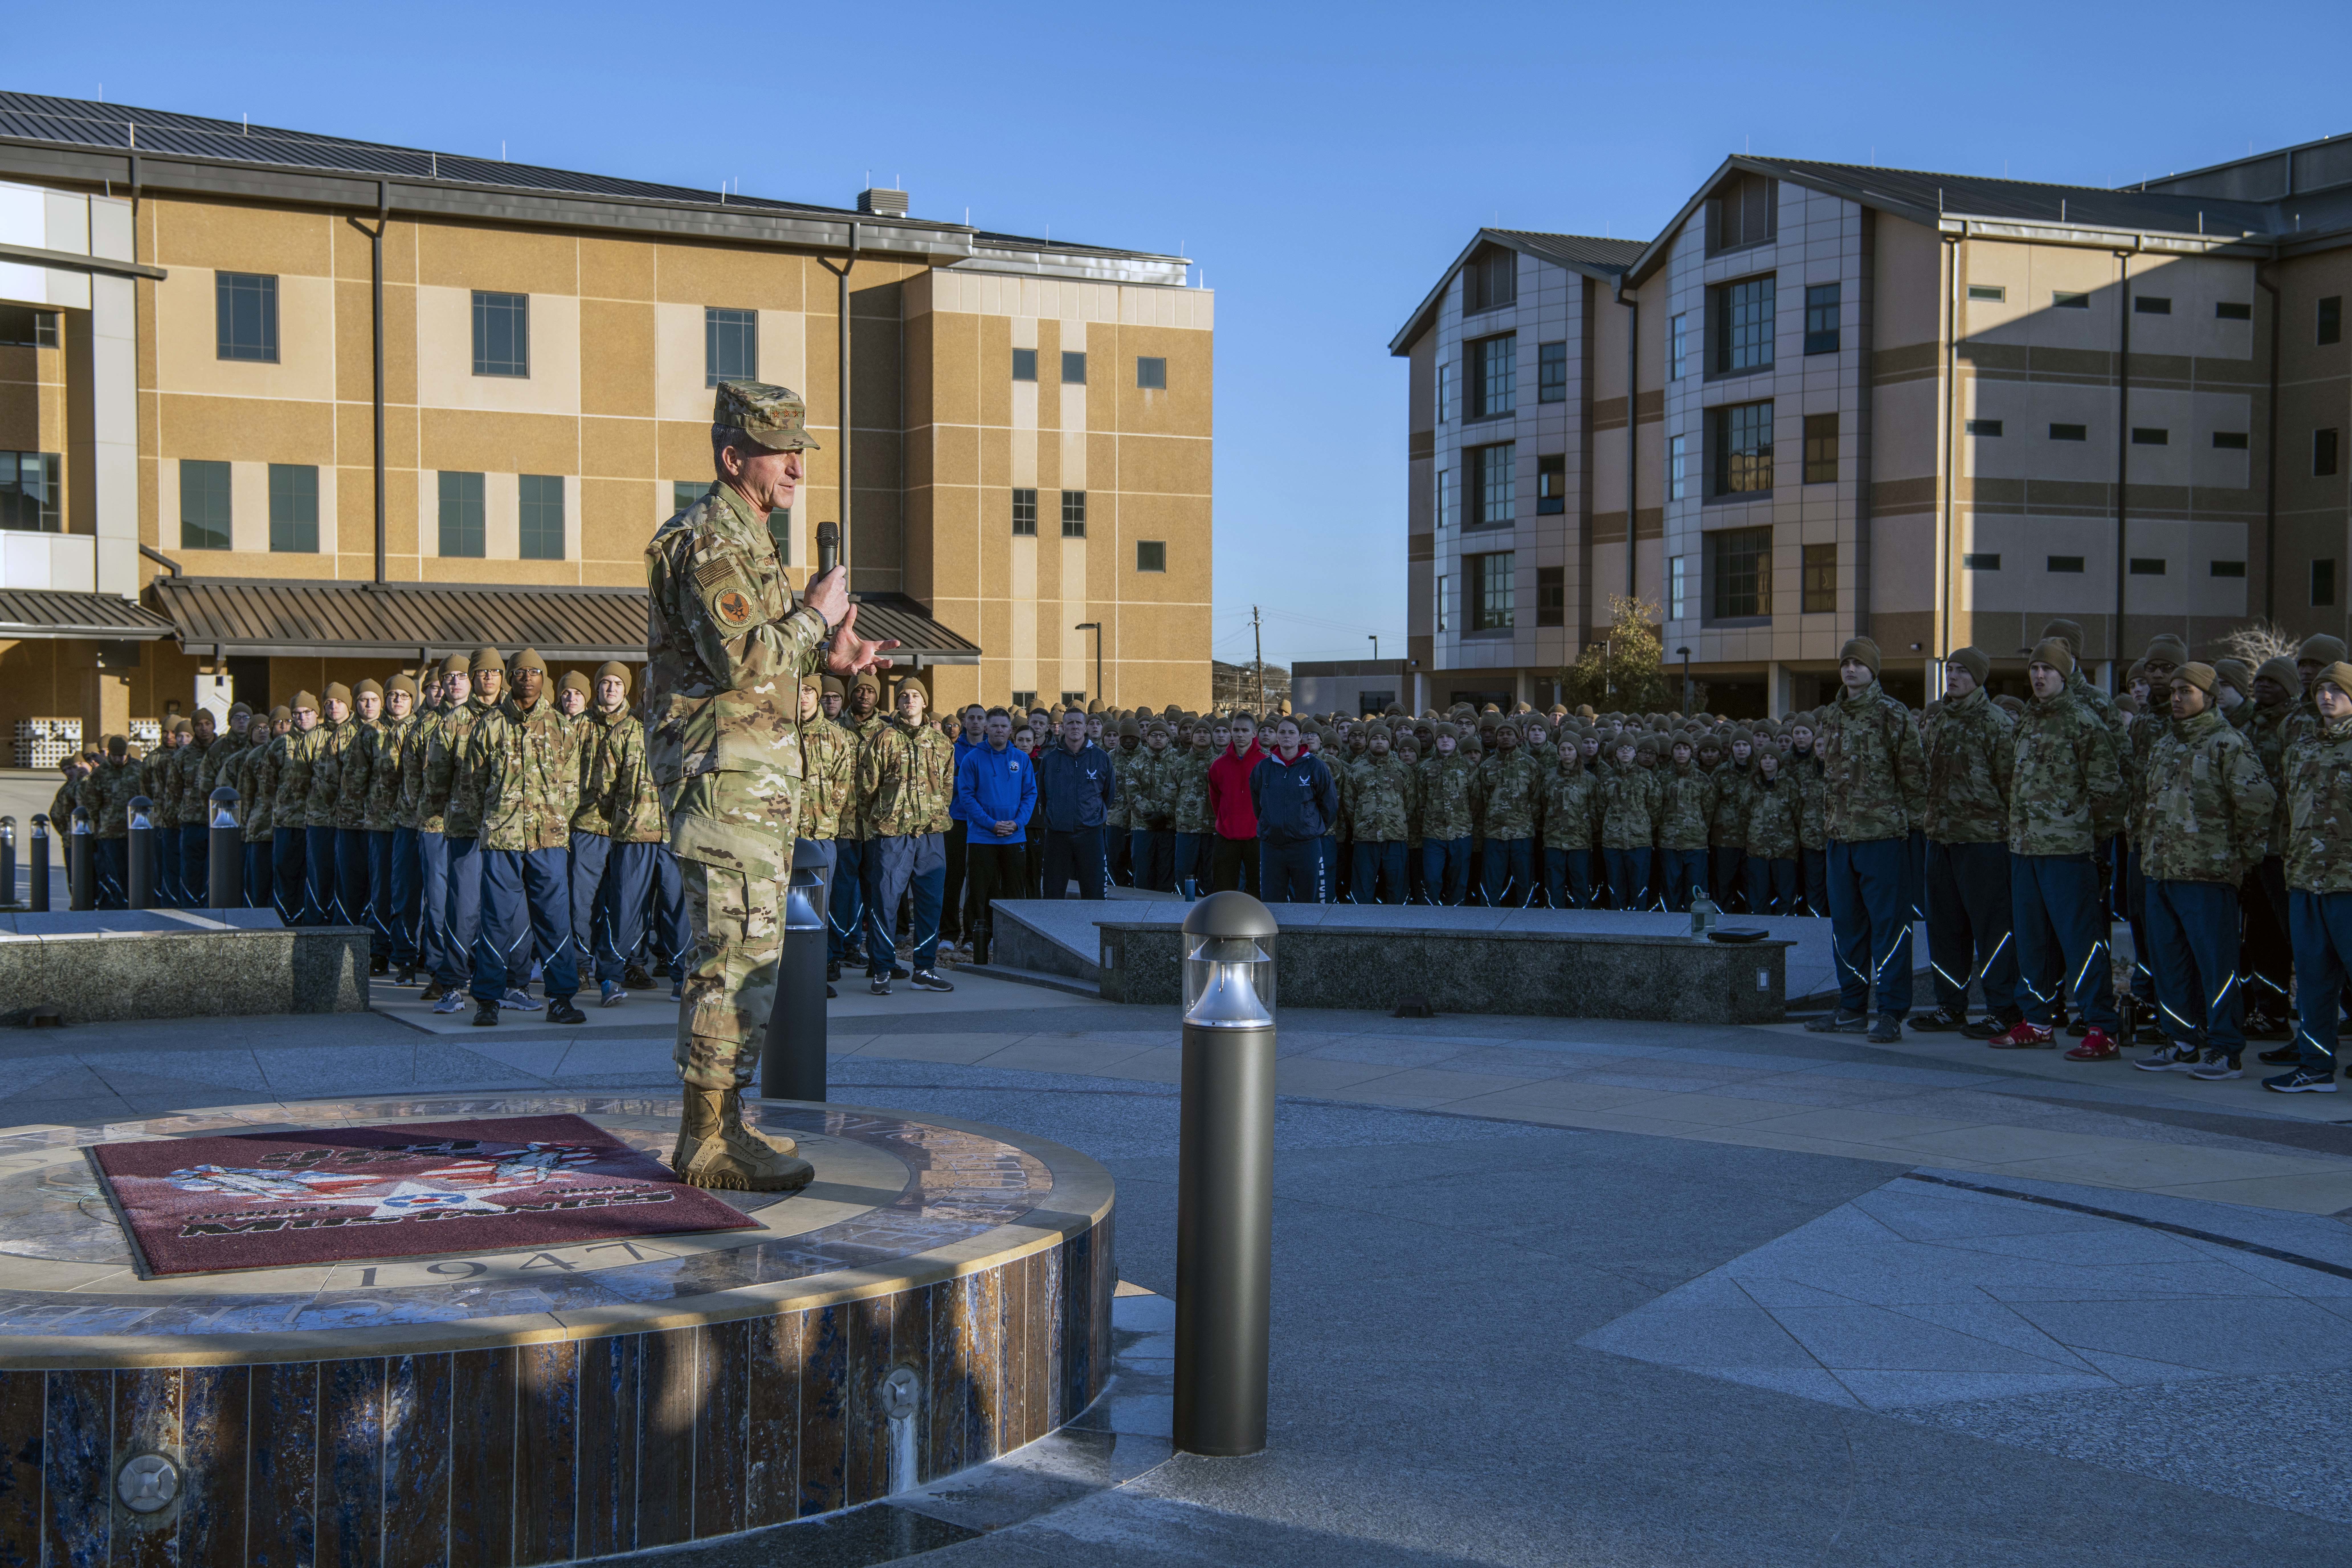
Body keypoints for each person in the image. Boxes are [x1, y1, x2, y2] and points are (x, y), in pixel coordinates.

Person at [644, 379, 895, 1190]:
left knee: (751, 956)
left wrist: (830, 658)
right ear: (732, 457)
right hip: (726, 786)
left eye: (799, 451)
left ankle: (723, 1127)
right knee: (728, 958)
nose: (795, 466)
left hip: (755, 784)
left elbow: (762, 661)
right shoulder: (708, 540)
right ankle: (705, 1141)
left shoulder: (750, 540)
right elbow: (743, 660)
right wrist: (817, 618)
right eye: (780, 452)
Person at [2129, 663, 2274, 1080]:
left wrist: (2240, 858)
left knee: (2216, 964)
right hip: (2161, 871)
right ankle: (2182, 1041)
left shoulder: (2228, 743)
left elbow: (2258, 803)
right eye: (2174, 691)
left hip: (2207, 876)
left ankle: (2225, 1049)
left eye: (2187, 691)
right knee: (2170, 963)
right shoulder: (2164, 744)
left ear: (2209, 697)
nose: (2176, 698)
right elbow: (2145, 804)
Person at [1993, 639, 2128, 1058]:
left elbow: (2109, 791)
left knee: (2080, 939)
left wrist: (2090, 838)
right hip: (2025, 849)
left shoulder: (2083, 722)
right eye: (2034, 670)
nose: (2039, 677)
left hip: (2069, 851)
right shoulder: (2027, 722)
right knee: (2032, 940)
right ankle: (2036, 1020)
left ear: (2064, 676)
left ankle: (2101, 1026)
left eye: (2048, 670)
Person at [1808, 638, 1927, 1043]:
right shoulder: (1832, 714)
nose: (1851, 669)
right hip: (1841, 836)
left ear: (1874, 670)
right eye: (1846, 663)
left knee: (1890, 926)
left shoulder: (1892, 715)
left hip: (1883, 837)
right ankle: (1852, 1006)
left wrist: (1910, 830)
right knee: (1847, 926)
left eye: (1860, 663)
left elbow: (1914, 777)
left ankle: (1892, 1011)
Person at [467, 648, 587, 1027]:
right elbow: (473, 784)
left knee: (554, 921)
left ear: (544, 678)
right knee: (497, 920)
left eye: (535, 672)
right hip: (503, 839)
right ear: (510, 678)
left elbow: (573, 786)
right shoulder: (489, 726)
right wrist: (493, 821)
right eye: (520, 672)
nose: (528, 678)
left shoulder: (562, 727)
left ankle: (562, 999)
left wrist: (555, 821)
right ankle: (488, 1000)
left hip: (549, 841)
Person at [1915, 648, 2021, 1037]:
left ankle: (2002, 1009)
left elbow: (2011, 784)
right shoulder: (1938, 720)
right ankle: (1949, 1006)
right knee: (1945, 928)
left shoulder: (1996, 722)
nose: (1953, 677)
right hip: (1941, 839)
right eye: (1950, 670)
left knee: (1992, 929)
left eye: (1962, 671)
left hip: (1985, 842)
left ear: (1979, 677)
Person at [2270, 658, 2352, 1092]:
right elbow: (2287, 814)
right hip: (2306, 881)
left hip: (2348, 884)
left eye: (2337, 690)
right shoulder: (2300, 749)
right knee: (2315, 981)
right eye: (2322, 690)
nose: (2326, 697)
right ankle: (2316, 1067)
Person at [857, 676, 957, 995]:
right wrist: (881, 819)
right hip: (893, 835)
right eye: (903, 696)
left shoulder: (942, 744)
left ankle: (925, 969)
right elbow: (866, 787)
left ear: (925, 702)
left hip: (931, 834)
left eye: (915, 696)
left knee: (930, 903)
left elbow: (947, 788)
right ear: (897, 703)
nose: (909, 701)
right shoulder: (883, 739)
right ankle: (883, 969)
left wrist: (933, 813)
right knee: (885, 902)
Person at [956, 707, 1036, 964]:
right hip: (982, 836)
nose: (1000, 730)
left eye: (1005, 726)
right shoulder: (972, 759)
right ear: (987, 729)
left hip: (1014, 836)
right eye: (996, 726)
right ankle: (973, 937)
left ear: (1011, 730)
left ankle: (1010, 938)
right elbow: (967, 797)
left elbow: (1030, 794)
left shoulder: (1021, 760)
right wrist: (991, 825)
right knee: (979, 890)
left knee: (1013, 889)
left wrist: (1017, 823)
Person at [829, 672, 886, 977]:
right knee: (840, 894)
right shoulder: (835, 730)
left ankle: (879, 959)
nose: (865, 695)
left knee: (877, 895)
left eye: (871, 691)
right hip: (844, 825)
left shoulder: (887, 732)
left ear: (878, 696)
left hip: (876, 826)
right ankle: (834, 956)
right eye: (860, 690)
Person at [367, 675, 422, 980]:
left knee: (417, 893)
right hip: (389, 821)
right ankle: (389, 952)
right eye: (393, 695)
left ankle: (415, 952)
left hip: (421, 822)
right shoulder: (378, 732)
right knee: (388, 890)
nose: (398, 700)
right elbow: (376, 779)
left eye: (405, 695)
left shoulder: (423, 726)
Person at [1251, 716, 1338, 903]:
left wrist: (1311, 827)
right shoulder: (1263, 768)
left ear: (1300, 738)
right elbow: (1258, 804)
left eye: (1292, 732)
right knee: (1272, 905)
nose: (1286, 736)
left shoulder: (1316, 767)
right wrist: (1270, 825)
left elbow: (1329, 806)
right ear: (1276, 736)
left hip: (1305, 846)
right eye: (1282, 732)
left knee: (1307, 904)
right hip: (1272, 846)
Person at [1037, 707, 1118, 899]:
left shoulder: (1101, 758)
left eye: (1079, 723)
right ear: (1063, 727)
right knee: (1053, 894)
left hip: (1090, 833)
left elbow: (1109, 793)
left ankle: (1092, 931)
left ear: (1086, 728)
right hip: (1058, 835)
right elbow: (1044, 796)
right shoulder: (1050, 760)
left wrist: (1092, 815)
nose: (1074, 727)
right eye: (1070, 723)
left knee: (1094, 895)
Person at [1344, 722, 1415, 904]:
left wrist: (1396, 821)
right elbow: (1349, 802)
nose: (1379, 742)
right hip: (1365, 838)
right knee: (1363, 886)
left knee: (1397, 886)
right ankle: (1361, 927)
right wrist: (1362, 822)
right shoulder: (1357, 768)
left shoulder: (1403, 770)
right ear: (1368, 742)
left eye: (1384, 738)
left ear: (1390, 742)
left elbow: (1411, 802)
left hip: (1395, 836)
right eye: (1375, 738)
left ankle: (1398, 927)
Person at [1474, 719, 1541, 907]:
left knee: (1525, 880)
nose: (1505, 737)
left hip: (1523, 833)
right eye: (1501, 734)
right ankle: (1488, 919)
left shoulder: (1531, 765)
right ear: (1497, 738)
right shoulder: (1487, 766)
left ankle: (1525, 918)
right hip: (1494, 833)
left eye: (1509, 734)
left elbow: (1536, 800)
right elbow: (1483, 800)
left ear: (1518, 737)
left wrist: (1527, 821)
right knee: (1491, 882)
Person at [271, 693, 324, 923]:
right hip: (289, 821)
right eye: (296, 715)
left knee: (315, 876)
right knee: (287, 874)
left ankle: (311, 923)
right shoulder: (281, 744)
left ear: (316, 714)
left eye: (307, 713)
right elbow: (268, 784)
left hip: (319, 820)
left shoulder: (327, 739)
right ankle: (285, 922)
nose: (302, 718)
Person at [1598, 736, 1661, 910]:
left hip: (1639, 841)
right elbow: (1600, 808)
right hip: (1613, 841)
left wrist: (1643, 826)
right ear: (1615, 753)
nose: (1625, 752)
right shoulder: (1606, 778)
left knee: (1639, 887)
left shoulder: (1647, 777)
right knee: (1616, 887)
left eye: (1629, 748)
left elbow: (1655, 809)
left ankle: (1639, 926)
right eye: (1621, 749)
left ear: (1635, 753)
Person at [1538, 735, 1599, 910]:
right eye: (1563, 749)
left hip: (1580, 841)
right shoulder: (1549, 778)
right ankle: (1554, 921)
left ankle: (1582, 921)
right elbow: (1543, 806)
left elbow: (1595, 810)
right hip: (1554, 839)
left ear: (1577, 752)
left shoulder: (1589, 780)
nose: (1566, 753)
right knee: (1554, 885)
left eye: (1571, 749)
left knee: (1581, 884)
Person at [1418, 723, 1476, 905]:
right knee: (1432, 879)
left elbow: (1476, 800)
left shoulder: (1469, 767)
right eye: (1441, 737)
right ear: (1436, 741)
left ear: (1456, 741)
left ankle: (1456, 920)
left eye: (1449, 737)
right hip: (1433, 834)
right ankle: (1430, 919)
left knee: (1459, 882)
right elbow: (1419, 802)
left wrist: (1464, 818)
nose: (1445, 740)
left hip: (1461, 833)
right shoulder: (1425, 768)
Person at [1207, 713, 1265, 895]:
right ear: (1232, 732)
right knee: (1224, 890)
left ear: (1254, 733)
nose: (1240, 735)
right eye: (1237, 730)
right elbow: (1215, 799)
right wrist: (1225, 820)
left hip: (1256, 837)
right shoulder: (1219, 765)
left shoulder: (1265, 764)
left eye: (1245, 731)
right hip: (1227, 836)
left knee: (1258, 889)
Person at [1657, 737, 1714, 912]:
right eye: (1678, 748)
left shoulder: (1702, 779)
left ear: (1691, 752)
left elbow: (1709, 810)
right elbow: (1656, 807)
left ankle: (1695, 926)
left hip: (1695, 842)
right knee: (1670, 888)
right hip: (1669, 841)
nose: (1682, 752)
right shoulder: (1662, 777)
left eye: (1686, 748)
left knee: (1696, 889)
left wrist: (1700, 828)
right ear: (1672, 752)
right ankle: (1671, 928)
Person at [1743, 746, 1801, 915]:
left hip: (1785, 850)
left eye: (1772, 758)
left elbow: (1797, 813)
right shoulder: (1752, 785)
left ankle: (1786, 931)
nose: (1768, 762)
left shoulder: (1789, 785)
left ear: (1779, 761)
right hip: (1757, 849)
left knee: (1786, 896)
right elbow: (1745, 813)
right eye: (1764, 758)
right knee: (1759, 897)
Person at [1167, 718, 1218, 899]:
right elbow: (1170, 795)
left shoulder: (1219, 764)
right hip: (1186, 829)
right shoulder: (1179, 765)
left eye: (1206, 732)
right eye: (1198, 732)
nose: (1202, 735)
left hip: (1213, 829)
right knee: (1185, 873)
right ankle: (1184, 911)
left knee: (1211, 875)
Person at [1127, 720, 1178, 892]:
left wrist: (1164, 814)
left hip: (1168, 826)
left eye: (1162, 735)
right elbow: (1133, 793)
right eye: (1154, 735)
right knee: (1143, 873)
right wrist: (1151, 814)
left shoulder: (1178, 761)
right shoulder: (1136, 763)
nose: (1158, 738)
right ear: (1147, 738)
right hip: (1143, 827)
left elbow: (1180, 793)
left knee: (1166, 872)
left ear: (1168, 739)